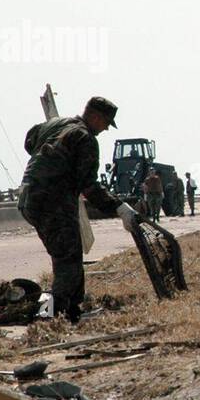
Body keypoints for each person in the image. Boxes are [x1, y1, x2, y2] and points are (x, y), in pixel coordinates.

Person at [17, 96, 138, 323]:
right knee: (67, 262)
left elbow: (30, 141)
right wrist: (119, 208)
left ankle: (72, 310)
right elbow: (89, 186)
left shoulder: (57, 124)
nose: (105, 129)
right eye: (105, 123)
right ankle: (48, 316)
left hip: (29, 198)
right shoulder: (85, 138)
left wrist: (52, 163)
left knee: (70, 253)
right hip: (52, 202)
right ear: (94, 116)